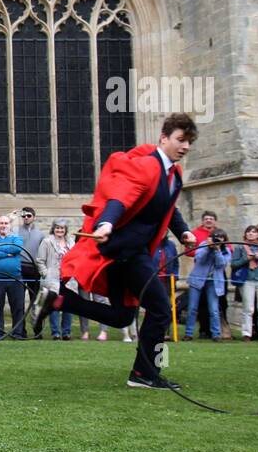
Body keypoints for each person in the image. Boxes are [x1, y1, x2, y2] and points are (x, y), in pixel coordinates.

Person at [31, 114, 200, 390]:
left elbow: (168, 208)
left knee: (123, 317)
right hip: (127, 253)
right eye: (181, 140)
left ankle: (59, 302)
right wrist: (106, 222)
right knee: (160, 309)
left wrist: (183, 231)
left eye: (189, 142)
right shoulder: (147, 167)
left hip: (131, 255)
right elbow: (121, 196)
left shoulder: (174, 174)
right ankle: (146, 373)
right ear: (164, 137)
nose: (185, 147)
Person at [184, 229, 231, 341]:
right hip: (197, 279)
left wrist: (217, 250)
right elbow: (199, 259)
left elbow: (221, 265)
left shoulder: (226, 251)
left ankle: (216, 334)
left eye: (220, 237)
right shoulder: (203, 245)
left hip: (214, 282)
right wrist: (207, 247)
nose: (217, 239)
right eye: (214, 237)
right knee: (192, 308)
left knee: (213, 309)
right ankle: (188, 333)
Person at [230, 225, 258, 341]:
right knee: (248, 308)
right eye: (248, 232)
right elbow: (234, 264)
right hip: (247, 279)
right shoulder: (240, 248)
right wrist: (246, 259)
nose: (251, 234)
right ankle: (246, 333)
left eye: (254, 232)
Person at [32, 219, 74, 339]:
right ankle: (55, 332)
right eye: (57, 228)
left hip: (68, 279)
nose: (59, 230)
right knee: (54, 304)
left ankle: (66, 332)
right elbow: (40, 260)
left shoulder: (71, 242)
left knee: (68, 305)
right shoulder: (47, 241)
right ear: (53, 229)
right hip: (52, 278)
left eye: (62, 228)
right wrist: (46, 273)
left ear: (65, 230)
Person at [15, 206, 44, 334]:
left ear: (34, 217)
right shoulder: (16, 231)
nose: (26, 218)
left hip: (34, 268)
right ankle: (21, 330)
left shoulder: (40, 234)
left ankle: (37, 330)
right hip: (20, 267)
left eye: (29, 216)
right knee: (19, 301)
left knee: (35, 301)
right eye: (24, 216)